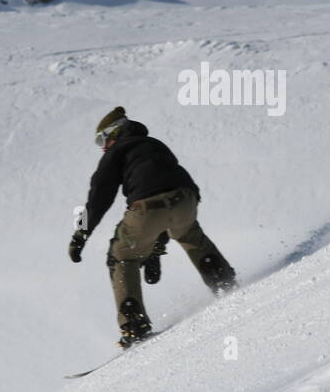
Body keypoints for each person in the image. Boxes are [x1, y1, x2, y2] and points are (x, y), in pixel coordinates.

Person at [69, 107, 237, 347]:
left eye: (101, 139)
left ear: (112, 132)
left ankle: (134, 325)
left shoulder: (115, 152)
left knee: (121, 257)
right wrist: (156, 247)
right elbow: (169, 186)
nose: (102, 146)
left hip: (147, 209)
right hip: (185, 200)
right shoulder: (153, 144)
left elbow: (97, 198)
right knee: (191, 235)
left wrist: (80, 235)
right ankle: (225, 284)